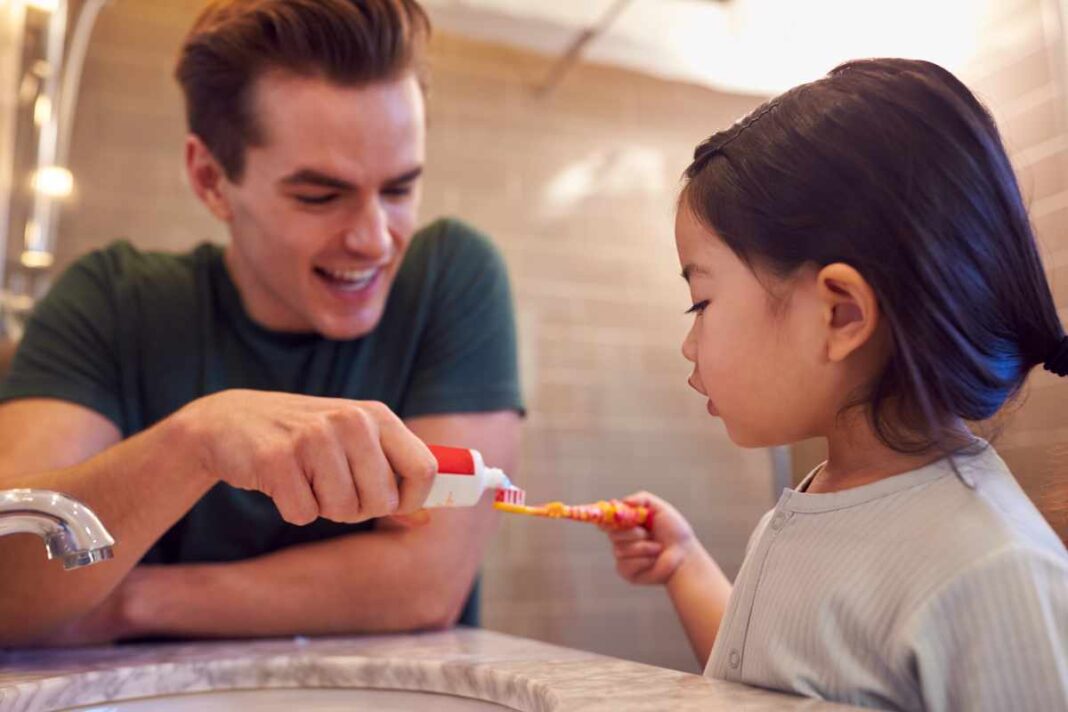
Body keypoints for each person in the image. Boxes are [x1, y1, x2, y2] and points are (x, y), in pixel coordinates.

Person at [0, 0, 522, 646]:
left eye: (399, 189)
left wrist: (123, 602)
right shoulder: (110, 301)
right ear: (210, 179)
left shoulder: (450, 273)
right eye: (319, 196)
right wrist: (195, 442)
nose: (374, 239)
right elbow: (9, 579)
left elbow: (424, 583)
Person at [602, 58, 1068, 710]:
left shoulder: (995, 572)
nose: (689, 342)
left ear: (841, 314)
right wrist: (683, 564)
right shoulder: (819, 500)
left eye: (700, 303)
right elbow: (773, 687)